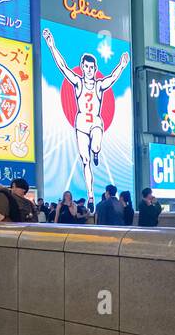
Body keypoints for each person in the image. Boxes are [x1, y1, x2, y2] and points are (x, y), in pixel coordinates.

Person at [40, 27, 131, 203]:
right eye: (86, 67)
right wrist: (51, 46)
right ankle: (90, 195)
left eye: (91, 67)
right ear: (82, 67)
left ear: (95, 68)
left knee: (95, 146)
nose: (89, 69)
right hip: (81, 123)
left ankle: (96, 151)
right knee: (85, 160)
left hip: (95, 122)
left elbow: (113, 77)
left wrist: (122, 64)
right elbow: (63, 67)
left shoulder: (99, 85)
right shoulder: (78, 82)